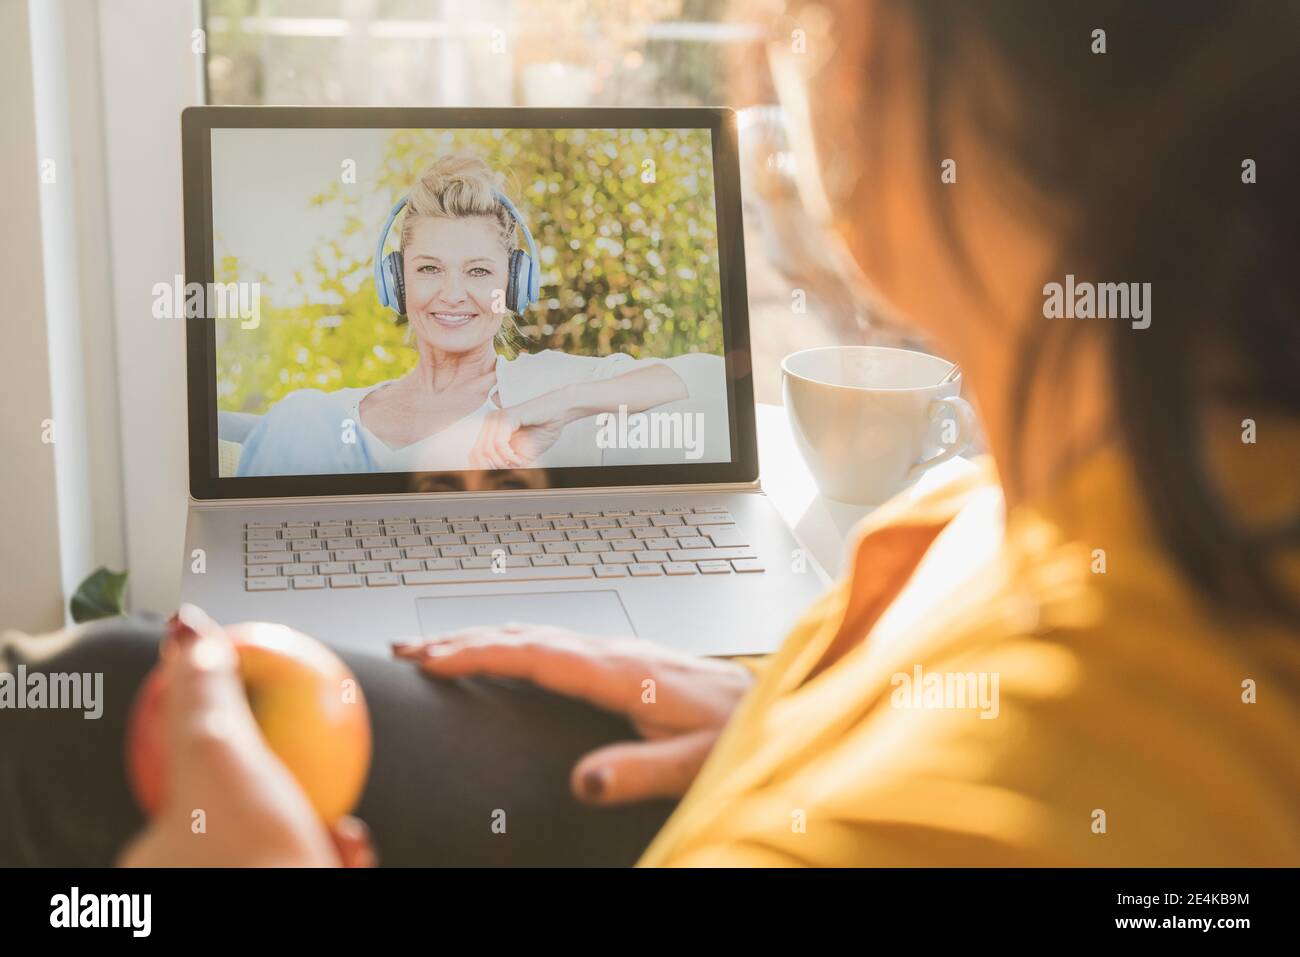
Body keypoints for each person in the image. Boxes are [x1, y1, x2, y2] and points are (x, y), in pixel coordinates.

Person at [3, 0, 1298, 867]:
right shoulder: (1036, 495)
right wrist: (791, 716)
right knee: (104, 694)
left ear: (886, 52)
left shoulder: (932, 822)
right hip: (733, 745)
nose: (778, 39)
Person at [235, 153, 722, 476]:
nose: (452, 294)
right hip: (348, 581)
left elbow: (713, 380)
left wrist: (563, 404)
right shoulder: (335, 414)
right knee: (299, 412)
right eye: (428, 269)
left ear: (513, 285)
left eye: (477, 271)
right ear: (397, 282)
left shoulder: (544, 385)